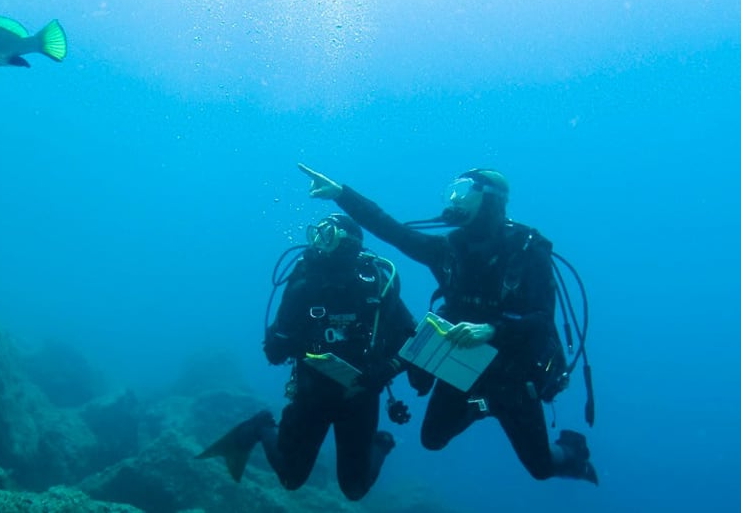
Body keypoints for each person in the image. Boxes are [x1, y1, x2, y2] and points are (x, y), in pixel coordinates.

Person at [297, 164, 598, 485]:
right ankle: (484, 406)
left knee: (541, 468)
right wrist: (341, 194)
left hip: (514, 375)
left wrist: (492, 330)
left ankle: (573, 452)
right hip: (464, 367)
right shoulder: (448, 250)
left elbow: (541, 319)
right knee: (432, 438)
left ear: (492, 200)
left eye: (464, 192)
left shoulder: (527, 251)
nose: (454, 200)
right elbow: (393, 231)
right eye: (451, 192)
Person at [196, 214, 426, 501]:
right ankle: (261, 425)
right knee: (291, 478)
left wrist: (386, 370)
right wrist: (293, 340)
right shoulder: (304, 282)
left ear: (349, 243)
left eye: (327, 236)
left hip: (361, 394)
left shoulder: (378, 283)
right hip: (313, 392)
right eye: (317, 235)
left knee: (355, 489)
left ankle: (383, 442)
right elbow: (274, 351)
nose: (318, 243)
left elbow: (414, 340)